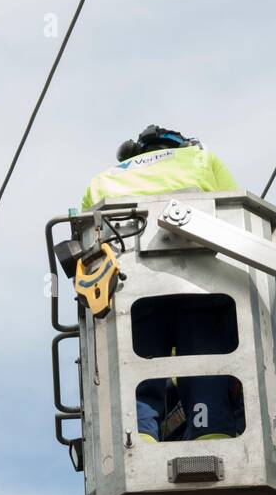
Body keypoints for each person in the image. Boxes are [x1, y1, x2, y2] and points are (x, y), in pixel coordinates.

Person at [81, 125, 245, 441]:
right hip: (203, 287)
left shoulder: (103, 180)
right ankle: (210, 435)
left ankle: (140, 438)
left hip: (131, 293)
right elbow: (236, 217)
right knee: (206, 367)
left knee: (138, 371)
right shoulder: (200, 157)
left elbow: (87, 242)